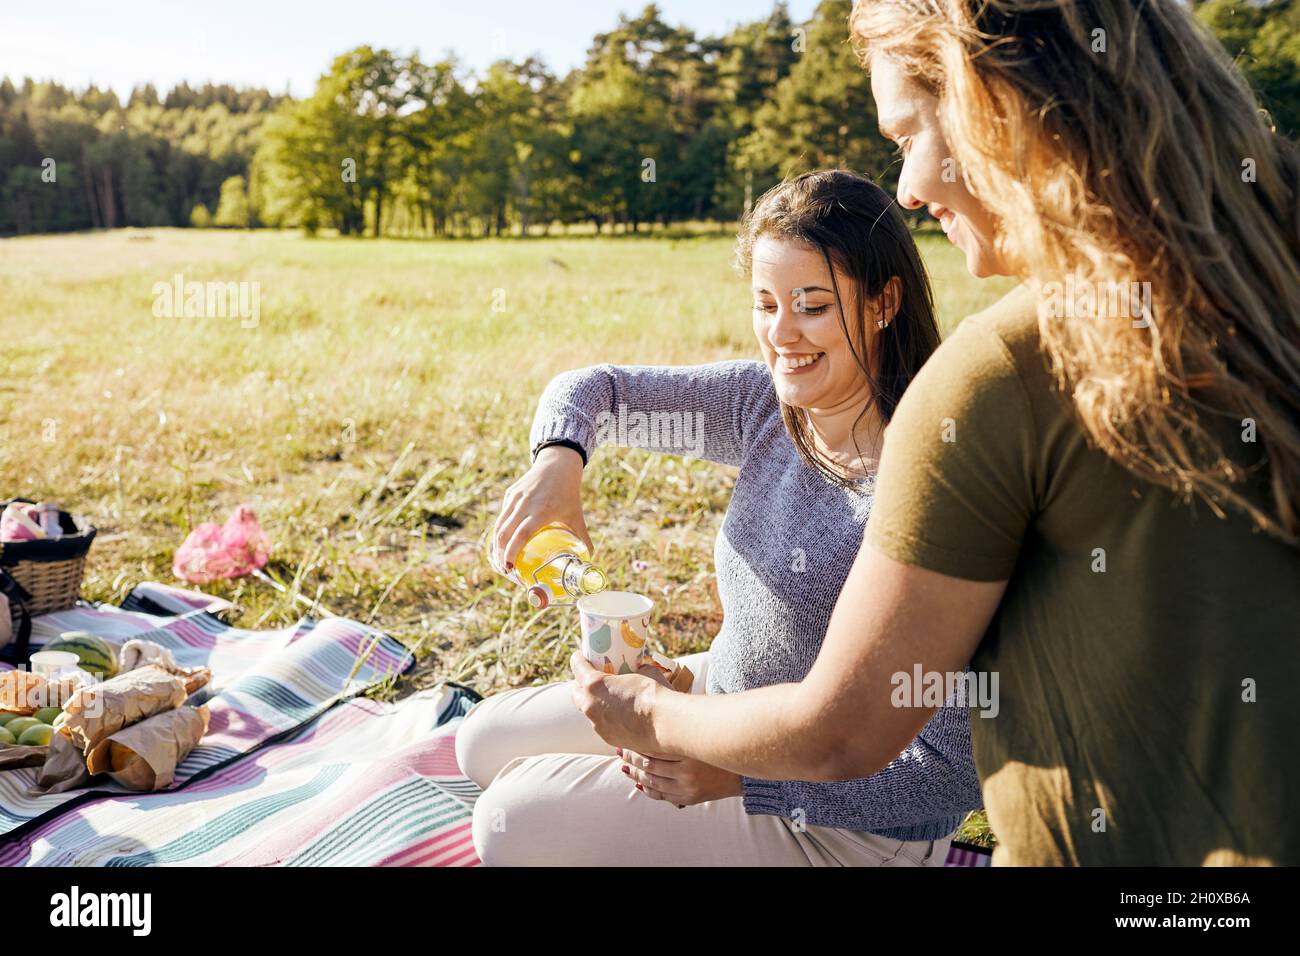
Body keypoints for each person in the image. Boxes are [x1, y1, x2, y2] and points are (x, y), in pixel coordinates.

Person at [571, 0, 1300, 866]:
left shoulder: (1001, 376)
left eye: (911, 134)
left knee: (516, 820)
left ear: (997, 111)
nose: (907, 188)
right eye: (769, 304)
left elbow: (848, 734)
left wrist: (653, 718)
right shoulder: (1260, 289)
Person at [458, 170, 983, 866]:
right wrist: (559, 462)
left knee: (509, 820)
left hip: (843, 821)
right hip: (726, 703)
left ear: (884, 301)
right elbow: (597, 391)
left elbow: (955, 769)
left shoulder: (934, 476)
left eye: (813, 306)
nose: (782, 333)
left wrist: (745, 779)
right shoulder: (765, 407)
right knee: (480, 741)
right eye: (766, 303)